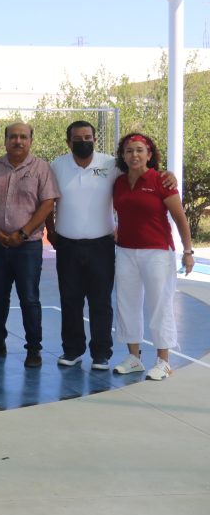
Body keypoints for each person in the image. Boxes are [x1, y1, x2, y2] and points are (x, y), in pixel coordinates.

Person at [47, 121, 178, 371]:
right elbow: (47, 199)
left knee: (101, 301)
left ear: (95, 140)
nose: (83, 141)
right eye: (77, 138)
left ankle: (101, 354)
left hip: (102, 246)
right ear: (68, 142)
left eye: (88, 137)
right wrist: (51, 232)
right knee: (70, 300)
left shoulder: (111, 165)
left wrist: (166, 174)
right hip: (67, 246)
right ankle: (72, 350)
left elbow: (140, 171)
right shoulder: (57, 165)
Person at [0, 122, 59, 367]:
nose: (18, 141)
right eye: (13, 137)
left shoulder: (42, 168)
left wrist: (22, 233)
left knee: (29, 298)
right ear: (6, 140)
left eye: (23, 137)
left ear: (31, 140)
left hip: (28, 246)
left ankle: (34, 348)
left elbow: (47, 204)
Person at [111, 133, 194, 381]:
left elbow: (180, 218)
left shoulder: (161, 181)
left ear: (149, 154)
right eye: (129, 151)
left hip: (157, 252)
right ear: (122, 156)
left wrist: (188, 252)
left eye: (139, 150)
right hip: (125, 251)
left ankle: (164, 361)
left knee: (159, 305)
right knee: (127, 304)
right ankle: (134, 358)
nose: (134, 155)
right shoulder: (119, 182)